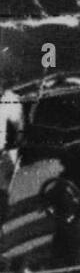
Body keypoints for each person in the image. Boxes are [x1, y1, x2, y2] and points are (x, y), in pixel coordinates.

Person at [0, 83, 24, 227]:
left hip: (3, 155)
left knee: (2, 193)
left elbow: (18, 126)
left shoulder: (9, 98)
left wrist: (15, 147)